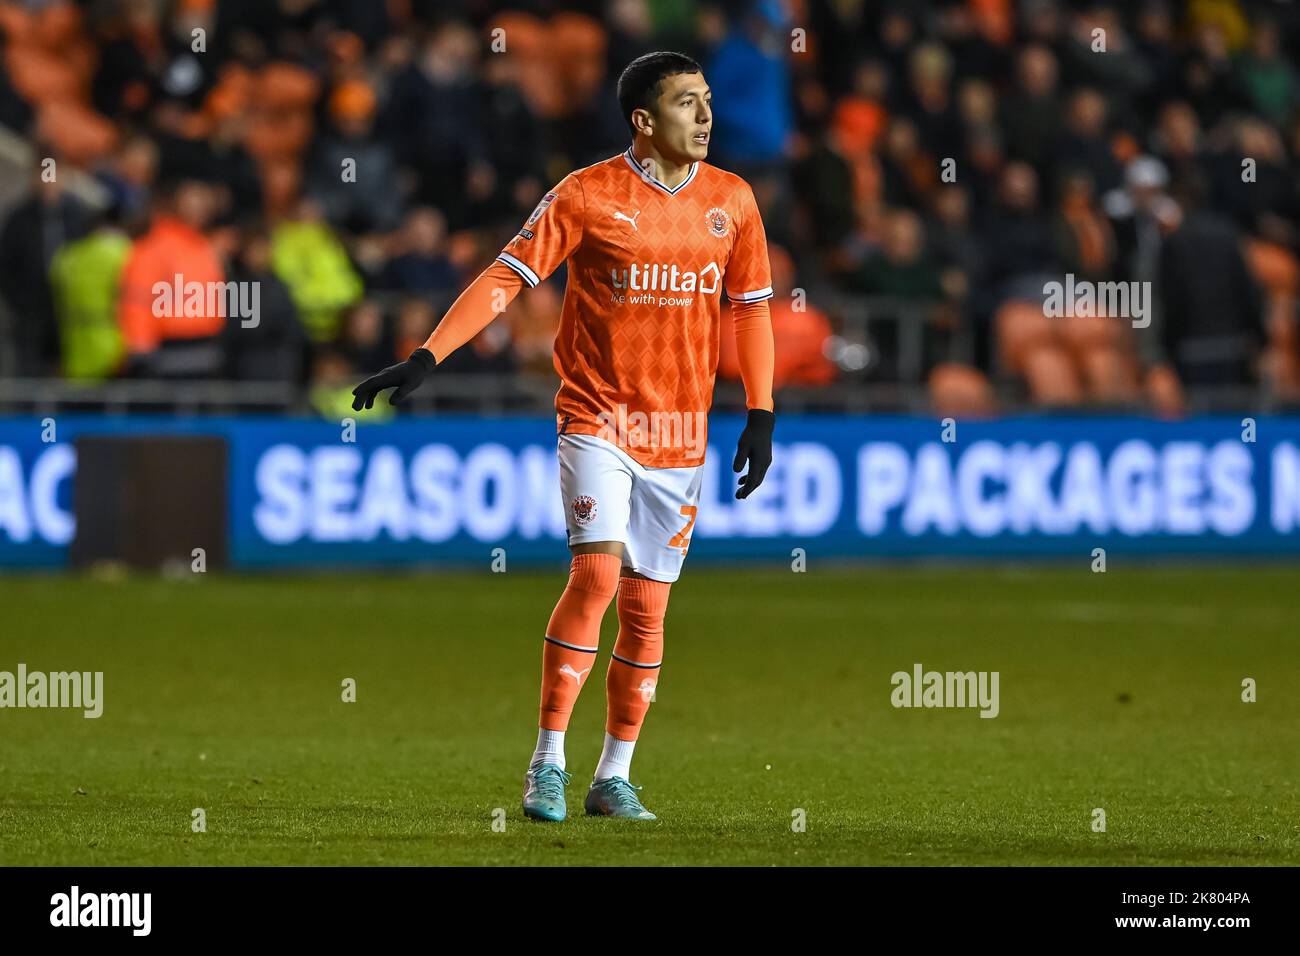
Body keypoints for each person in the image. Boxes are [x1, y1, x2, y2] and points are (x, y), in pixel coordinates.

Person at [350, 52, 776, 823]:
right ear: (644, 121)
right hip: (598, 417)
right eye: (688, 103)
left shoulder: (734, 202)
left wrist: (763, 411)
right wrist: (426, 356)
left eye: (707, 100)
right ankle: (546, 761)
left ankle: (613, 777)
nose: (706, 116)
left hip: (681, 432)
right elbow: (509, 275)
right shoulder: (586, 194)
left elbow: (749, 309)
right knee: (598, 581)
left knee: (648, 611)